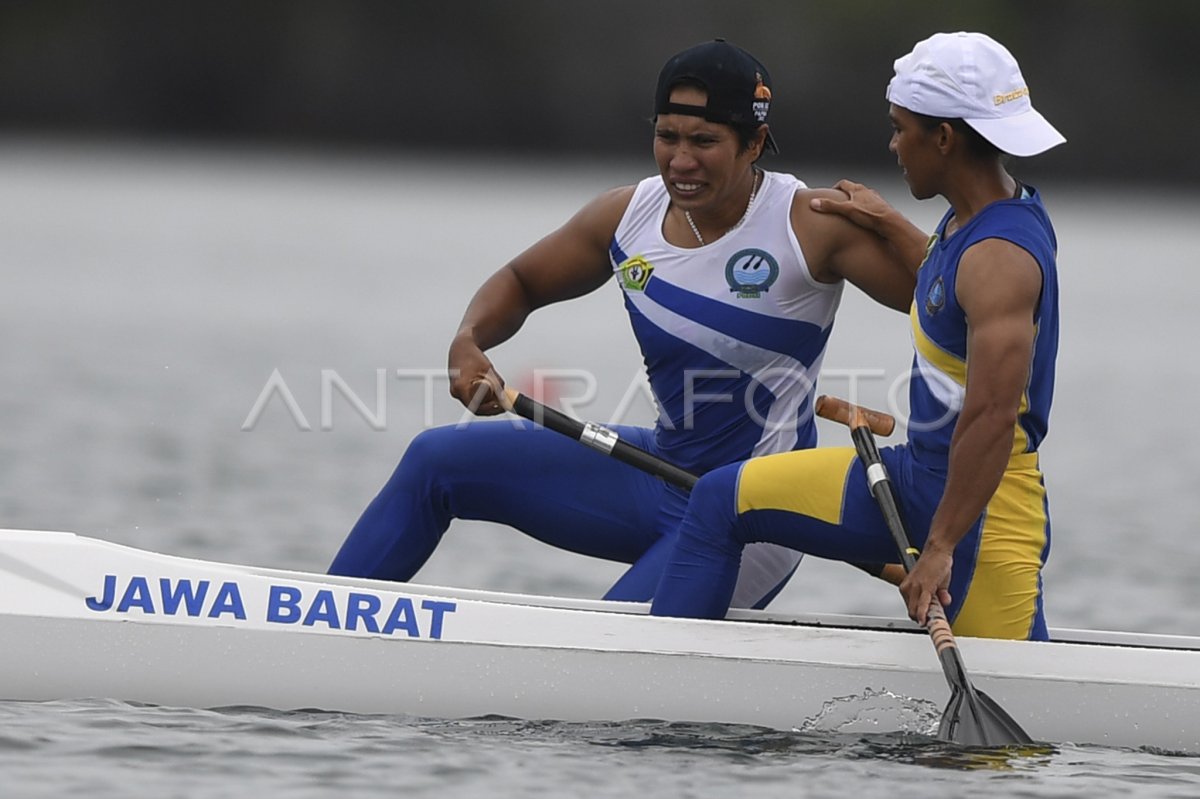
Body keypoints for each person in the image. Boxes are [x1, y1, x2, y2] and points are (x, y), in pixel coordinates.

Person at [328, 39, 915, 609]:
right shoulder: (626, 216)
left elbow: (954, 308)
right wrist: (468, 341)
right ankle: (321, 622)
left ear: (754, 142)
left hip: (748, 514)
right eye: (667, 136)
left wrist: (895, 227)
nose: (680, 161)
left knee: (593, 680)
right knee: (437, 461)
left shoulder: (810, 225)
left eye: (705, 141)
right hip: (657, 476)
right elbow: (522, 283)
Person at [649, 31, 1065, 640]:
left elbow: (993, 415)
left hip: (982, 511)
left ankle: (655, 675)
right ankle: (667, 668)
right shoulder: (978, 220)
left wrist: (941, 547)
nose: (894, 144)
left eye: (901, 128)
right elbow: (949, 289)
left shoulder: (1000, 256)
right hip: (915, 477)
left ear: (944, 137)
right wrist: (889, 222)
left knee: (1008, 730)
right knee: (720, 499)